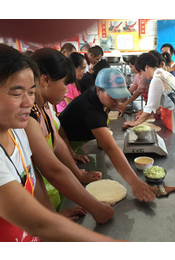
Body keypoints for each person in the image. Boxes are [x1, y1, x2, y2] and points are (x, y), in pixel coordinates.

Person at [0, 43, 120, 242]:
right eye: (16, 93)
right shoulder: (26, 123)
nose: (28, 102)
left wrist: (51, 215)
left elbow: (33, 174)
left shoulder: (16, 131)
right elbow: (52, 174)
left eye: (31, 92)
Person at [25, 47, 114, 223]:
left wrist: (78, 175)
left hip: (51, 194)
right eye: (65, 83)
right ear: (45, 80)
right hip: (35, 203)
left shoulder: (43, 106)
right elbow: (51, 170)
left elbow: (57, 143)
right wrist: (95, 207)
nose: (67, 89)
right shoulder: (28, 117)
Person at [59, 68, 156, 202]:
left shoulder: (99, 97)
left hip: (72, 143)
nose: (117, 100)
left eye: (120, 95)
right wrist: (134, 182)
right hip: (61, 144)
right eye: (113, 95)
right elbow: (110, 147)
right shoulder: (91, 109)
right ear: (99, 90)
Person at [124, 53, 175, 152]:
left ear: (146, 67)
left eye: (142, 72)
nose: (143, 76)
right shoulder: (163, 73)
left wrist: (135, 123)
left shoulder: (157, 79)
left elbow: (150, 108)